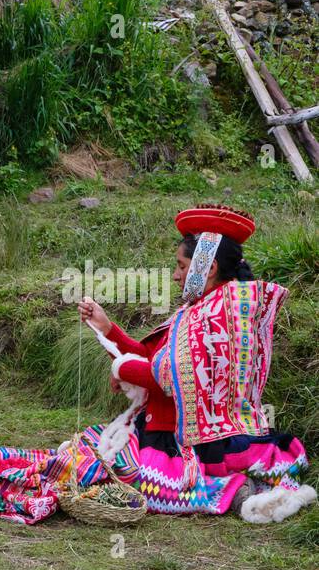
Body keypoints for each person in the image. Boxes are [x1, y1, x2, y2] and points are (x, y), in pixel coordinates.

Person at [79, 204, 313, 521]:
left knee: (100, 469)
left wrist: (121, 369)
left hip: (186, 440)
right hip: (193, 431)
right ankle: (246, 489)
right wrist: (107, 328)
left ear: (209, 267)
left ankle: (233, 490)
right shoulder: (208, 308)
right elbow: (154, 360)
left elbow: (164, 375)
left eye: (181, 266)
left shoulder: (212, 315)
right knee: (88, 454)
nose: (175, 275)